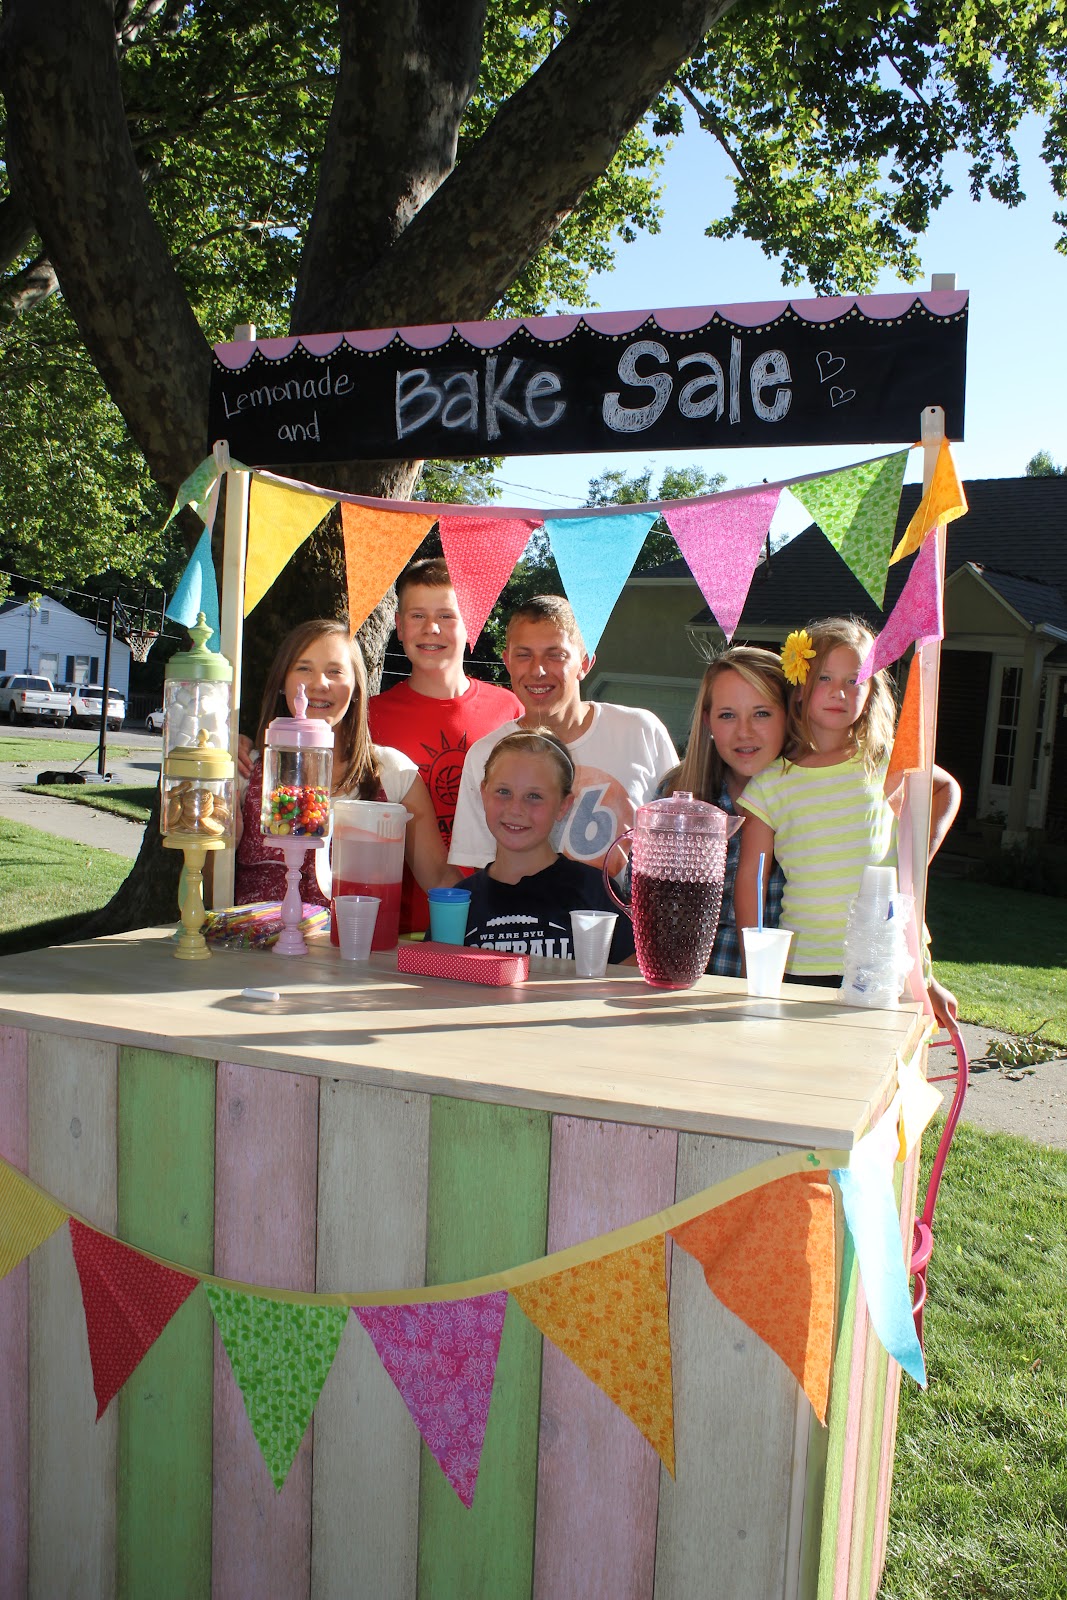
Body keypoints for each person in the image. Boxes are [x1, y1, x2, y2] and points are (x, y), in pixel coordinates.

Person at [735, 616, 962, 995]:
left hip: (881, 959)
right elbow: (751, 880)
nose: (838, 691)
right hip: (802, 961)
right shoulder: (769, 784)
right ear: (801, 686)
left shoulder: (887, 761)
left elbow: (946, 790)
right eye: (824, 677)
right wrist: (752, 966)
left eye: (853, 679)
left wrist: (915, 860)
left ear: (872, 689)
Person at [234, 619, 457, 908]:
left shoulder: (392, 773)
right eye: (304, 668)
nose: (318, 684)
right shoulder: (244, 770)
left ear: (355, 688)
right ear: (281, 682)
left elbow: (438, 879)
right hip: (255, 950)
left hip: (356, 950)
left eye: (334, 671)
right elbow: (210, 883)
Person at [448, 595, 678, 874]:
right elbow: (479, 867)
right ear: (507, 661)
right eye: (524, 655)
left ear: (585, 663)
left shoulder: (641, 731)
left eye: (555, 655)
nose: (538, 670)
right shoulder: (485, 754)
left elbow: (676, 842)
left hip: (624, 916)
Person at [368, 557, 522, 933]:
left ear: (471, 623)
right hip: (396, 925)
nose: (431, 628)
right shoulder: (368, 718)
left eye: (447, 616)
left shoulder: (510, 709)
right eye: (417, 616)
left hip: (498, 919)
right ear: (399, 628)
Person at [660, 646, 791, 977]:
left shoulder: (813, 796)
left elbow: (936, 784)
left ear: (790, 715)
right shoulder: (679, 799)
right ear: (708, 722)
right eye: (728, 715)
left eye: (761, 713)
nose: (744, 732)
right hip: (689, 994)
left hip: (790, 996)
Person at [463, 730, 635, 963]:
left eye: (534, 796)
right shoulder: (460, 904)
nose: (515, 809)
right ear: (484, 793)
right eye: (503, 792)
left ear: (564, 805)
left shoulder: (594, 892)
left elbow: (632, 972)